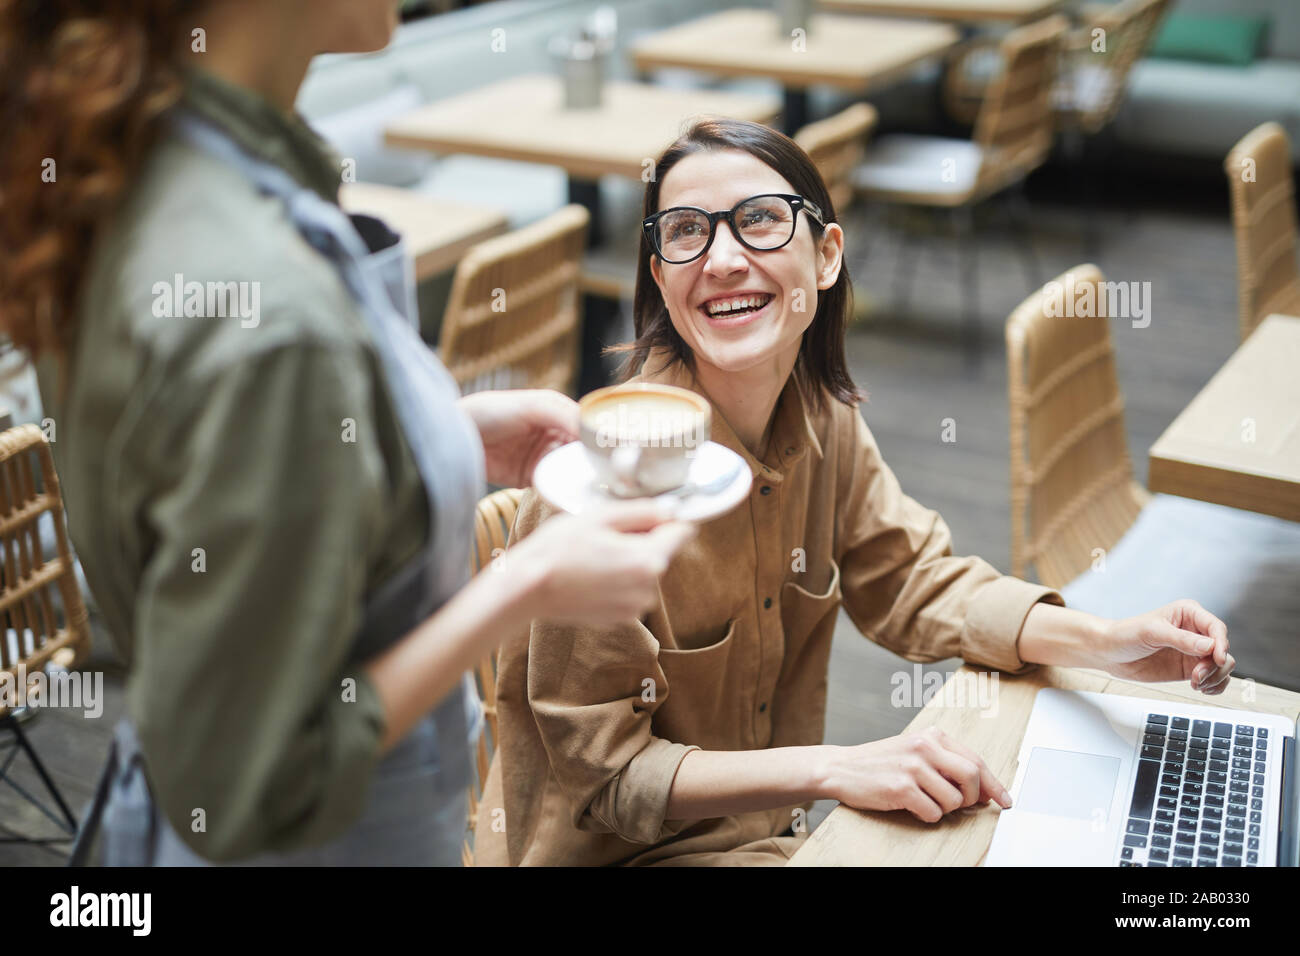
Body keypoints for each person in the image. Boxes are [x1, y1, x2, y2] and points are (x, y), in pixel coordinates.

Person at [0, 0, 693, 864]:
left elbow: (217, 490)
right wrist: (524, 582)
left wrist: (432, 438)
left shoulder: (152, 167)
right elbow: (252, 782)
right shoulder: (268, 314)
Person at [476, 118, 1237, 867]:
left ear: (828, 255)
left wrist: (1105, 646)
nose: (723, 258)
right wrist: (837, 767)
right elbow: (606, 778)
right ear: (660, 278)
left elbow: (909, 580)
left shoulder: (821, 418)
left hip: (774, 836)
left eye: (761, 222)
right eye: (685, 233)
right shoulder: (597, 482)